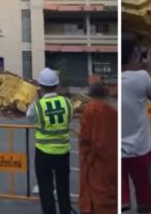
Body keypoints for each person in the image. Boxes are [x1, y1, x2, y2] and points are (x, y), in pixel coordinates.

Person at [120, 37, 151, 213]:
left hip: (119, 151)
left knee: (120, 192)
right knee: (144, 193)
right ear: (134, 56)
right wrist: (149, 65)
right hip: (140, 148)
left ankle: (124, 201)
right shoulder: (142, 77)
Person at [27, 67, 73, 214]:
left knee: (46, 189)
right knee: (63, 187)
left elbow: (30, 117)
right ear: (56, 85)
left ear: (40, 87)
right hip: (63, 152)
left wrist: (37, 99)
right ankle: (65, 210)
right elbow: (68, 119)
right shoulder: (67, 103)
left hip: (43, 153)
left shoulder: (37, 106)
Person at [79, 81, 117, 214]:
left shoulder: (90, 109)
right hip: (112, 160)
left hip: (95, 161)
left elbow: (85, 137)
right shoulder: (113, 110)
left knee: (96, 195)